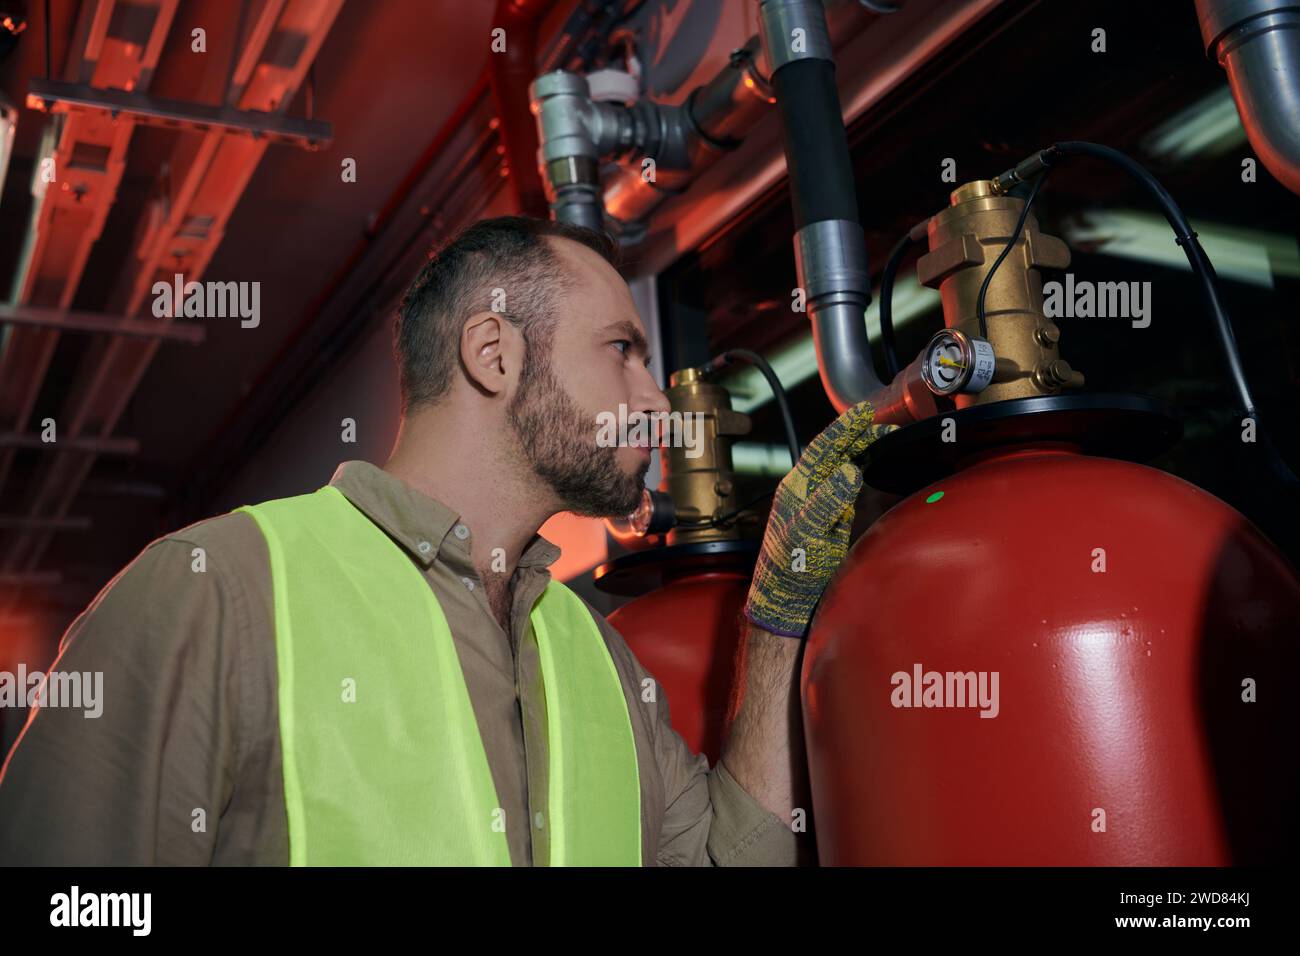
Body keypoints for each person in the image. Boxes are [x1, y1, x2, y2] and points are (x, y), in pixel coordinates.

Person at [0, 216, 891, 865]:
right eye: (621, 349)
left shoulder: (591, 653)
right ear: (493, 355)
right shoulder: (216, 591)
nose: (653, 399)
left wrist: (776, 616)